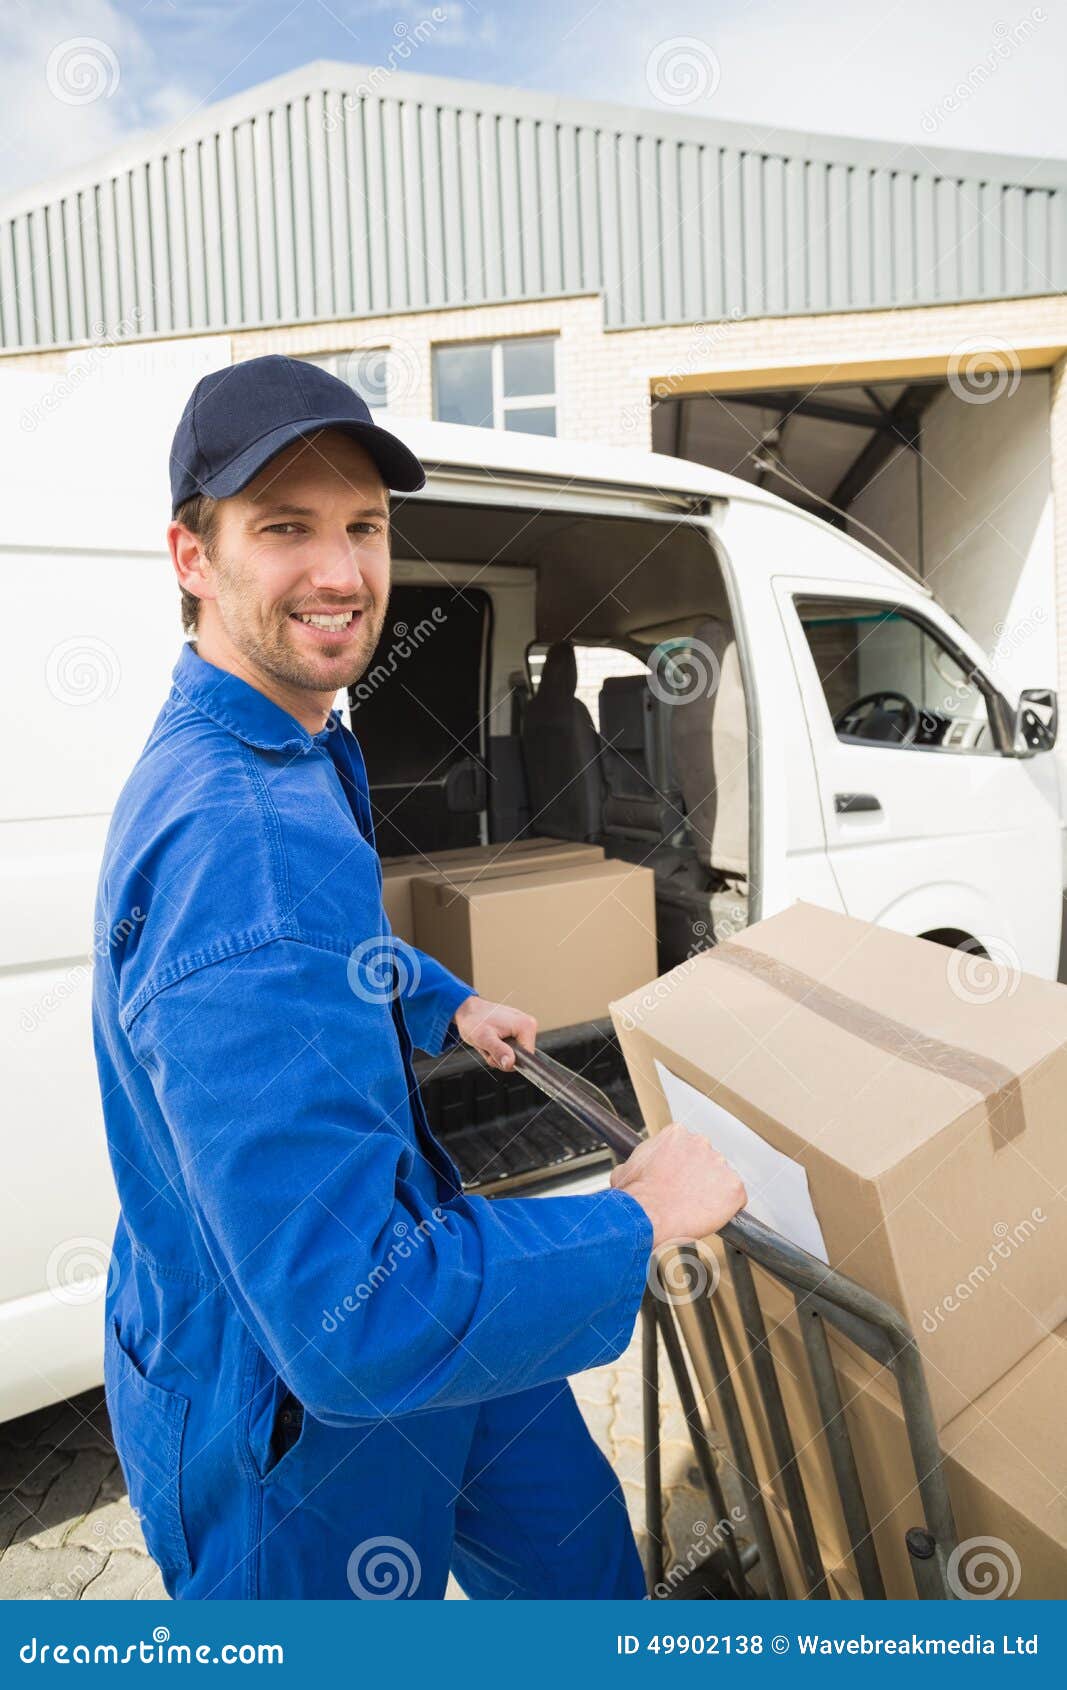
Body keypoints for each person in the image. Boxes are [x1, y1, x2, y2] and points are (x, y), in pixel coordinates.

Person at [91, 354, 746, 1601]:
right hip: (293, 1406)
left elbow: (319, 951)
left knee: (580, 1571)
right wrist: (636, 1217)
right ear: (192, 556)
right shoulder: (239, 844)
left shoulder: (287, 744)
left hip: (421, 1260)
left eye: (364, 526)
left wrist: (437, 998)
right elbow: (354, 1317)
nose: (340, 571)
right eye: (284, 528)